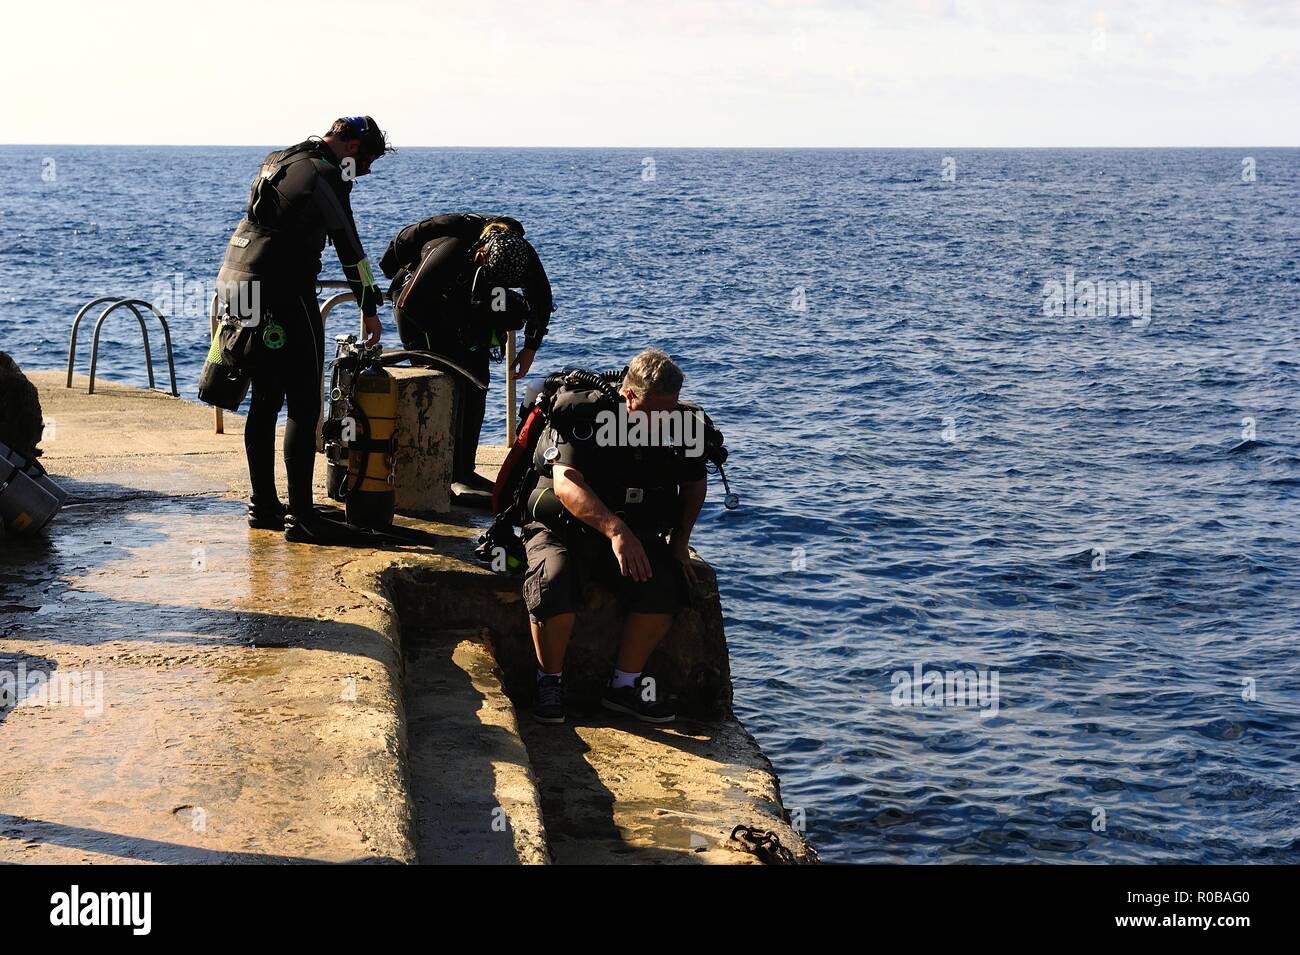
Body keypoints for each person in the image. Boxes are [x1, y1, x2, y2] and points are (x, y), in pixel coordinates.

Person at [215, 116, 391, 543]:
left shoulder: (280, 159)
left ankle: (264, 507)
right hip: (283, 292)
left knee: (265, 397)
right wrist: (369, 305)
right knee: (303, 403)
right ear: (351, 145)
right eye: (367, 160)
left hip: (238, 282)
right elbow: (349, 244)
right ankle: (303, 518)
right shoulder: (327, 172)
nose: (365, 171)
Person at [521, 349, 709, 724]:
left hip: (630, 532)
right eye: (653, 411)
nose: (662, 420)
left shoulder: (683, 424)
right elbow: (565, 484)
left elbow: (693, 484)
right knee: (553, 581)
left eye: (669, 410)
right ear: (629, 397)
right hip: (565, 527)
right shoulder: (584, 414)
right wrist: (615, 530)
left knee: (665, 583)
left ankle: (624, 687)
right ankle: (550, 682)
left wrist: (680, 542)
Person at [379, 213, 553, 500]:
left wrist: (530, 347)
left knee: (477, 383)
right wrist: (439, 352)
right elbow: (409, 306)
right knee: (446, 385)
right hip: (419, 307)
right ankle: (440, 468)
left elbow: (541, 298)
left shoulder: (521, 251)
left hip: (465, 307)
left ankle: (463, 470)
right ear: (483, 254)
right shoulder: (453, 245)